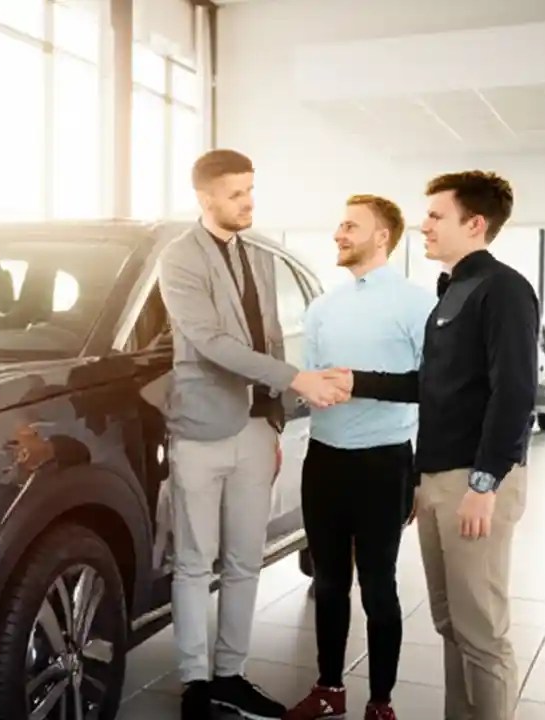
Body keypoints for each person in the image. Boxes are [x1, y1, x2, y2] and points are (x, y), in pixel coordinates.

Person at [331, 171, 537, 720]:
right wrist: (358, 380)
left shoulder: (503, 288)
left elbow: (515, 392)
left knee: (482, 632)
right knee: (450, 624)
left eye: (437, 216)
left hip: (474, 480)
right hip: (439, 478)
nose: (423, 224)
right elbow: (434, 386)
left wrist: (484, 483)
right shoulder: (453, 290)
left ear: (475, 223)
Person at [158, 148, 349, 720]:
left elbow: (268, 340)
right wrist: (297, 379)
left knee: (245, 559)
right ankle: (194, 681)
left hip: (253, 428)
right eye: (237, 193)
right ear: (205, 196)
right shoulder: (178, 259)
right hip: (200, 427)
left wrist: (275, 418)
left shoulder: (260, 258)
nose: (248, 202)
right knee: (195, 562)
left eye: (250, 190)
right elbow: (211, 342)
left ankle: (229, 675)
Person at [284, 195, 437, 720]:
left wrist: (417, 474)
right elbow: (307, 377)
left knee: (378, 585)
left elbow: (433, 386)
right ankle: (329, 690)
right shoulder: (323, 307)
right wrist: (312, 391)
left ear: (382, 237)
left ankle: (380, 702)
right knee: (328, 581)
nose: (338, 234)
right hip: (324, 460)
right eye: (339, 224)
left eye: (350, 226)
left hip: (384, 463)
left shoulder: (417, 303)